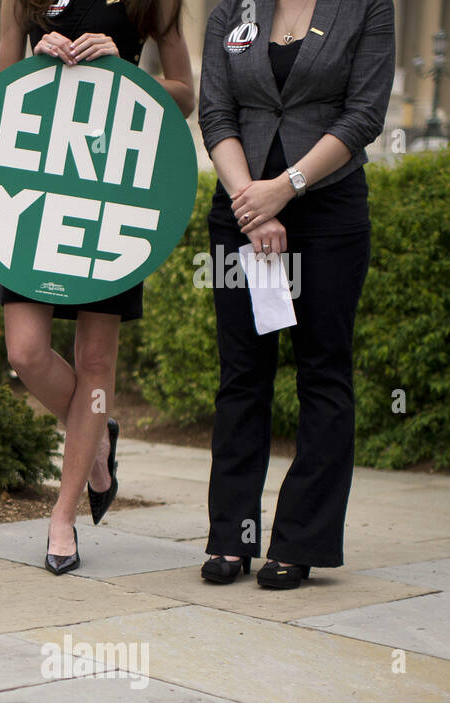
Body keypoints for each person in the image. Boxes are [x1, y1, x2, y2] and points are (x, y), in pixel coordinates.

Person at [198, 0, 394, 588]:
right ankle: (233, 538)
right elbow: (216, 114)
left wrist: (285, 189)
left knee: (323, 373)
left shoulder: (366, 8)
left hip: (329, 212)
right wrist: (252, 207)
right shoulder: (230, 10)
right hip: (238, 212)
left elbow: (364, 115)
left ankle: (301, 541)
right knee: (241, 375)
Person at [0, 0, 194, 575]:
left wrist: (132, 74)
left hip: (113, 185)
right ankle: (98, 440)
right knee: (25, 352)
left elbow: (186, 96)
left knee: (96, 362)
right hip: (35, 178)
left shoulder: (151, 2)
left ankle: (63, 517)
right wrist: (34, 62)